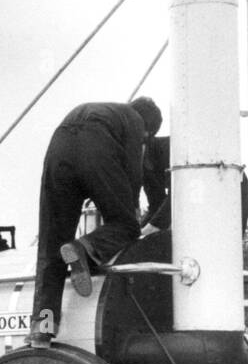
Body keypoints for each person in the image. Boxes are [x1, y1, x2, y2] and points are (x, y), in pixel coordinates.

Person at [30, 98, 162, 344]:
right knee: (125, 225)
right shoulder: (134, 121)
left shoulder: (106, 110)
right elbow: (132, 176)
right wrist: (130, 212)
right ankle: (84, 248)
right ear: (147, 130)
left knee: (50, 249)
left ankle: (43, 326)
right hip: (96, 147)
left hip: (59, 147)